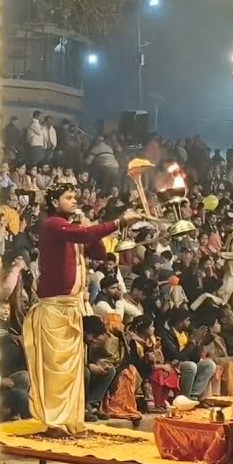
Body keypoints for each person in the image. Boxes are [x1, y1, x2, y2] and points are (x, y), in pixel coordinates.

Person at [25, 183, 137, 438]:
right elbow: (86, 236)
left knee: (72, 369)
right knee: (56, 370)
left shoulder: (72, 229)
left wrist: (87, 222)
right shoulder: (53, 224)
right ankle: (54, 422)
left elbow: (98, 251)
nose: (75, 201)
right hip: (54, 308)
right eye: (69, 197)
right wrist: (118, 222)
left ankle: (69, 421)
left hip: (72, 308)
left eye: (76, 197)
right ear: (55, 202)